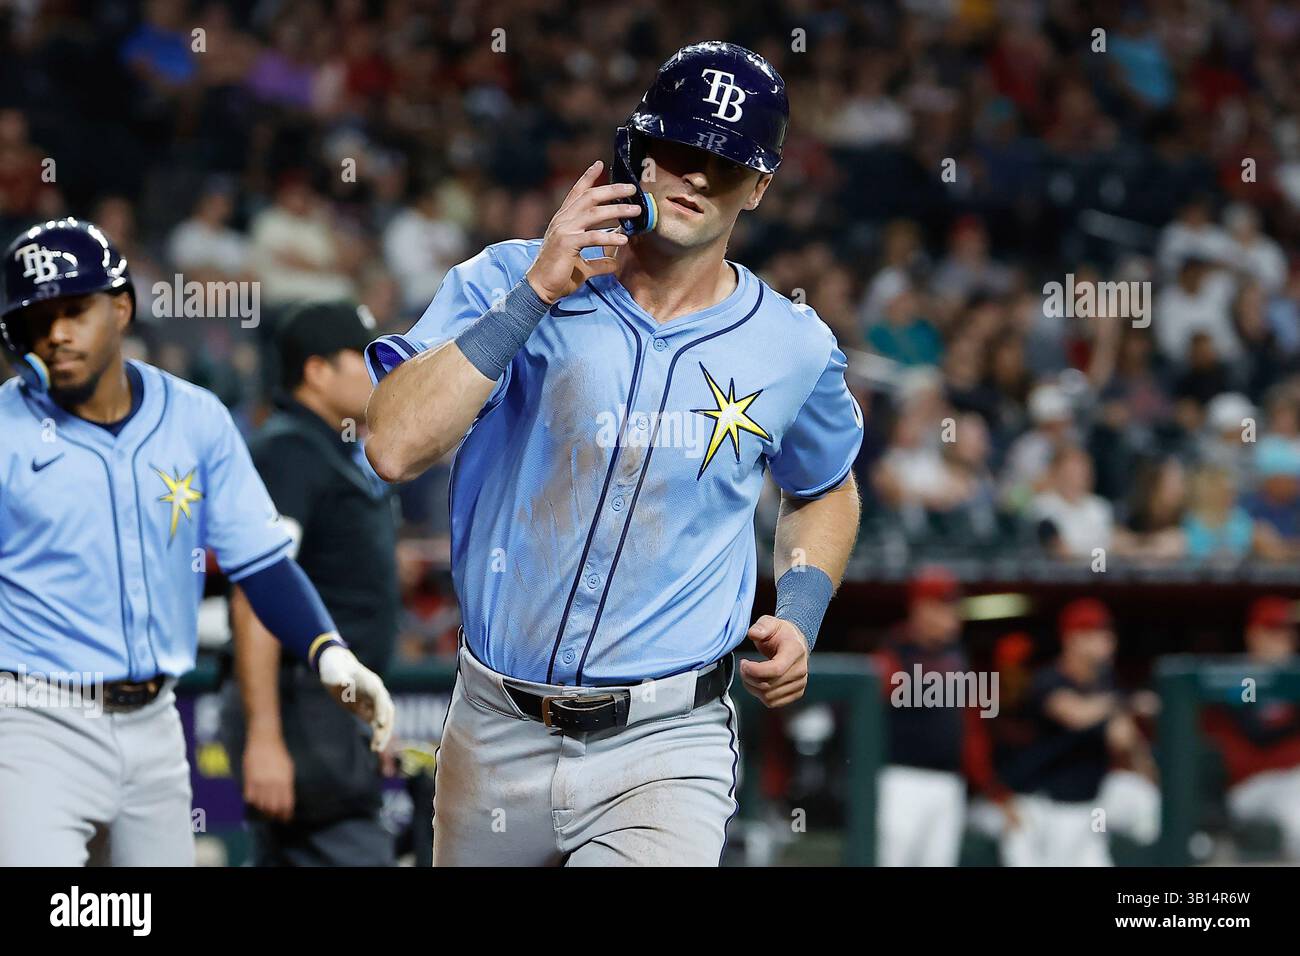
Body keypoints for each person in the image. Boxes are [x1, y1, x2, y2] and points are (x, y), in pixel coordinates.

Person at [364, 42, 863, 866]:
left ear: (762, 185)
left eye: (728, 163)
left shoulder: (792, 345)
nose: (698, 177)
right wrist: (536, 296)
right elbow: (391, 444)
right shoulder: (510, 279)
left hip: (666, 744)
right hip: (494, 730)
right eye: (681, 149)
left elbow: (826, 489)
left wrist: (802, 613)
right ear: (639, 148)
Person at [0, 218, 393, 865]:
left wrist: (327, 652)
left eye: (76, 310)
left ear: (122, 307)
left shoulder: (195, 417)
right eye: (38, 318)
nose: (58, 333)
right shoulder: (10, 431)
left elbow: (262, 561)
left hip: (155, 723)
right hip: (36, 722)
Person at [220, 301, 400, 866]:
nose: (378, 372)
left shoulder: (328, 450)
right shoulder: (288, 450)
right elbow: (255, 595)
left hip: (329, 709)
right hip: (299, 706)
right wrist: (266, 737)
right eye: (362, 357)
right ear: (317, 371)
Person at [998, 599, 1155, 866]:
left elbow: (1123, 738)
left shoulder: (1107, 684)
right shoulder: (1047, 679)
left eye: (1107, 633)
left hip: (1085, 810)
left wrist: (1142, 759)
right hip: (1036, 808)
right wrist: (1126, 702)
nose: (1106, 640)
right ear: (1072, 639)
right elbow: (1074, 714)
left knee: (1140, 792)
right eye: (1095, 633)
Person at [874, 566, 1009, 866]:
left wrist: (990, 787)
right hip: (900, 781)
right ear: (921, 608)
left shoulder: (957, 657)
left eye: (953, 608)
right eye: (943, 607)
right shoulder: (895, 652)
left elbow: (970, 730)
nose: (952, 617)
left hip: (948, 786)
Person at [1203, 596, 1300, 861]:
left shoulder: (1293, 674)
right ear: (1253, 634)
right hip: (1250, 787)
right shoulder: (1236, 677)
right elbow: (1257, 732)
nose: (1283, 640)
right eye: (1274, 631)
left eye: (1287, 632)